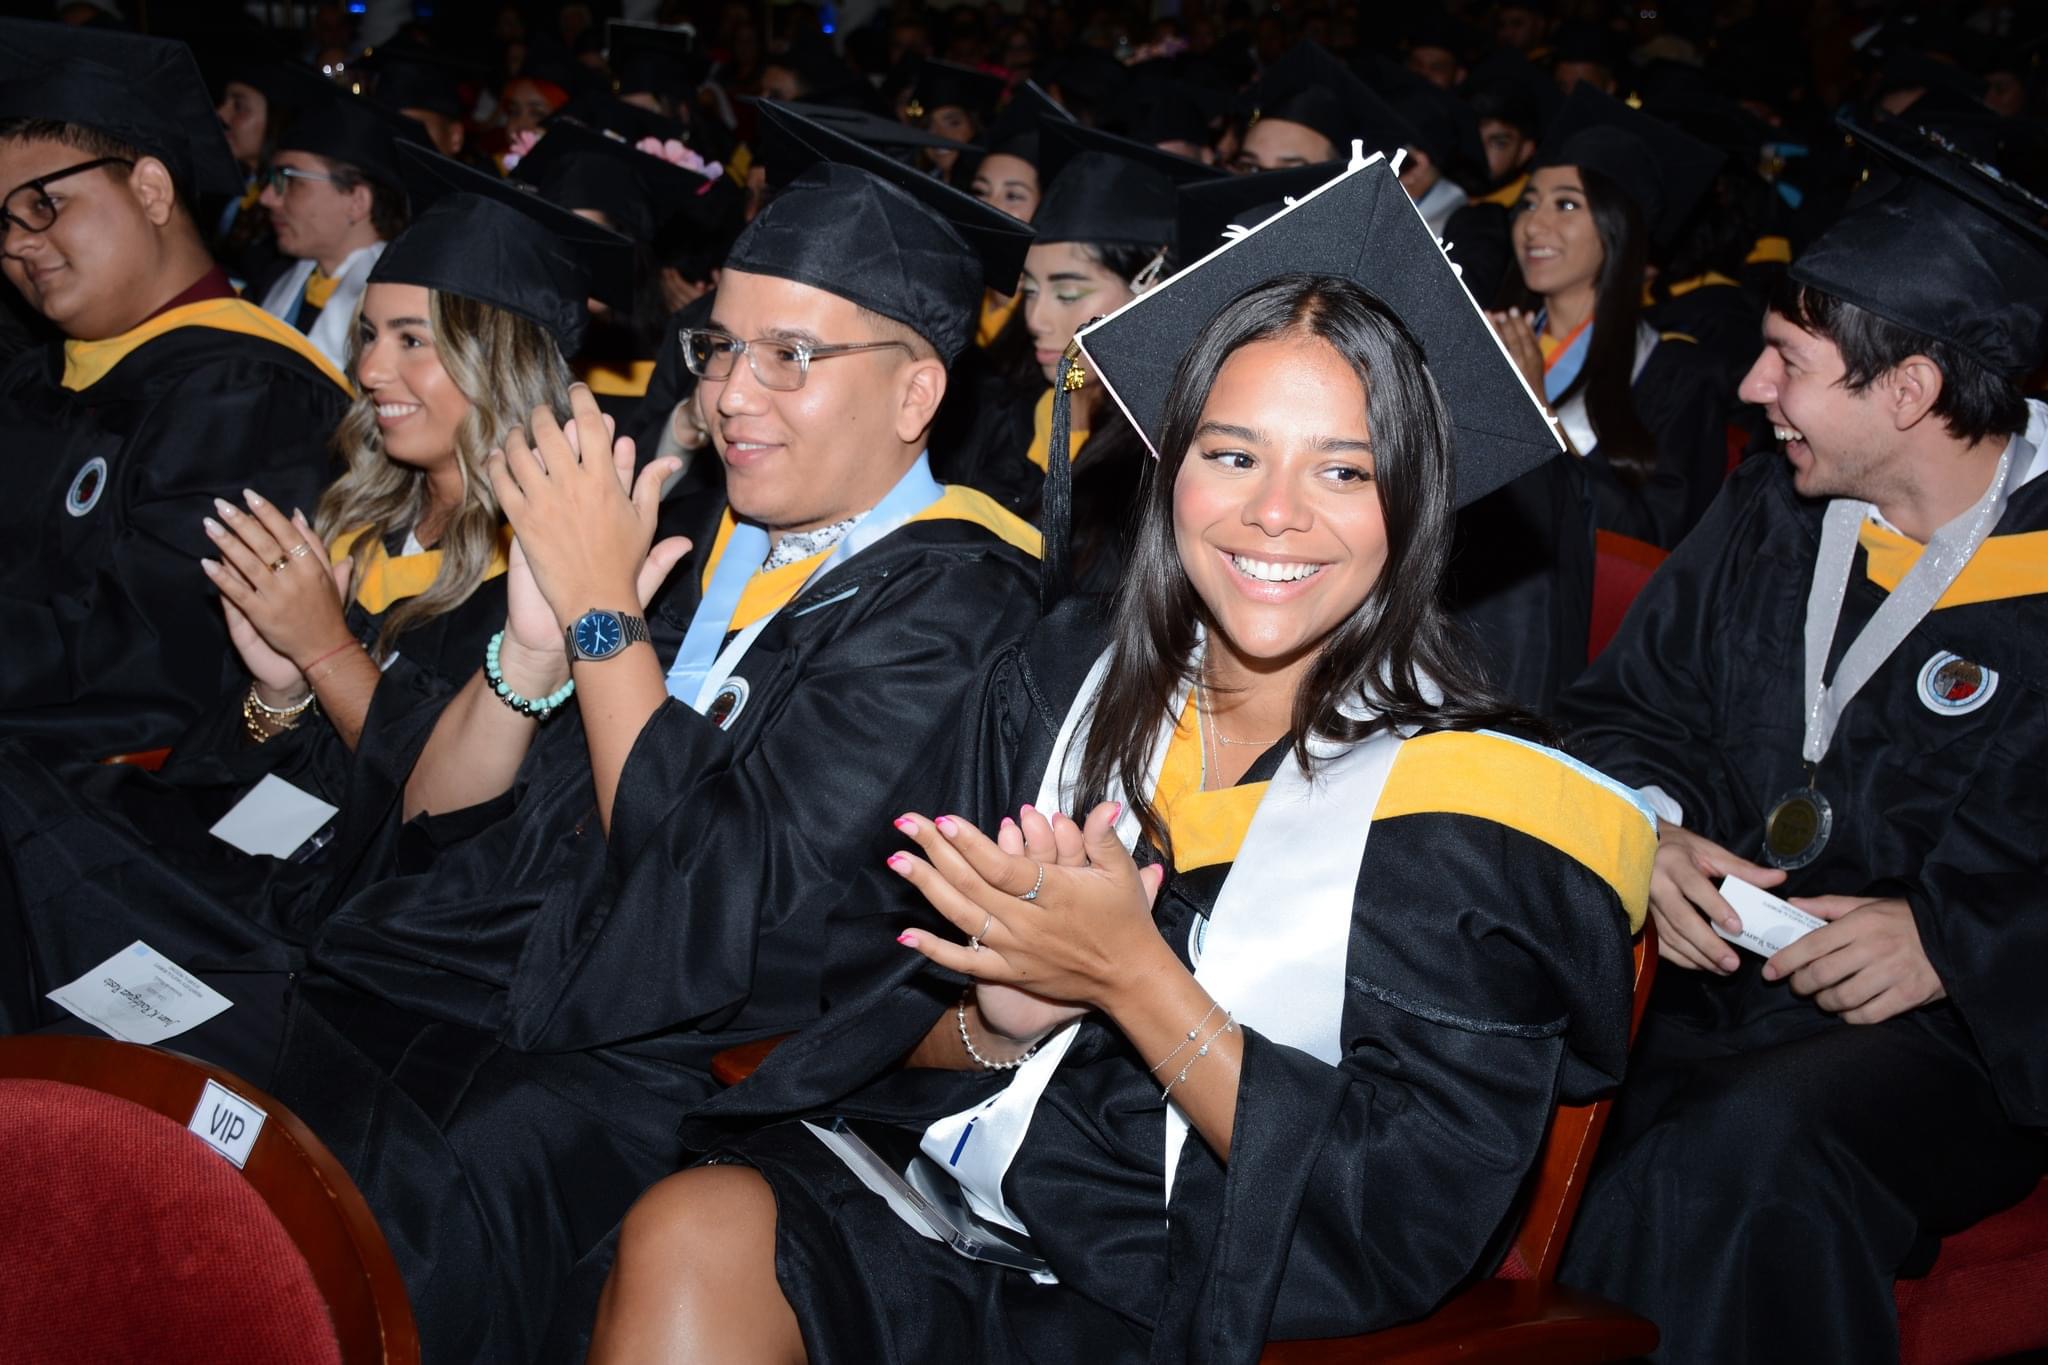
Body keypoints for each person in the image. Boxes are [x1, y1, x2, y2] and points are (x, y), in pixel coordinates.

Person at [587, 155, 1652, 1365]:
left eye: (1343, 470)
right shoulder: (1054, 683)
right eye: (1231, 454)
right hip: (954, 1214)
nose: (1274, 513)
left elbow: (1396, 1221)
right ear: (1170, 471)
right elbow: (872, 1018)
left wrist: (1135, 982)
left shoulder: (1480, 822)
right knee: (691, 1226)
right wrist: (999, 1018)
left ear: (1413, 501)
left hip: (1202, 1302)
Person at [96, 125, 1042, 1361]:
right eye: (717, 350)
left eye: (790, 356)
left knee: (368, 1213)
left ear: (916, 391)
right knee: (189, 1096)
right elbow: (438, 822)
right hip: (470, 974)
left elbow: (713, 911)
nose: (730, 394)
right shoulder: (695, 531)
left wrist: (602, 616)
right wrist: (531, 655)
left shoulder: (957, 611)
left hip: (659, 1068)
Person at [1556, 118, 2048, 1363]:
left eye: (1784, 361)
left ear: (1909, 390)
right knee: (1516, 1060)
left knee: (1740, 1154)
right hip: (1714, 976)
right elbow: (1626, 708)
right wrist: (1648, 827)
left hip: (1956, 1039)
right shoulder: (1774, 509)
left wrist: (1956, 947)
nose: (1746, 389)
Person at [0, 199, 579, 1019]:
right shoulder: (363, 519)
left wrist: (322, 650)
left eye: (413, 340)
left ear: (500, 358)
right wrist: (276, 692)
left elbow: (458, 825)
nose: (373, 370)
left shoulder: (546, 568)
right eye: (369, 336)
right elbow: (251, 762)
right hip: (260, 867)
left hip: (374, 940)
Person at [0, 22, 351, 756]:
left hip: (116, 812)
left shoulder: (249, 393)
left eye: (43, 204)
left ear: (151, 190)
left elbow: (148, 662)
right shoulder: (37, 377)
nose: (15, 243)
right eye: (3, 222)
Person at [1488, 85, 1732, 547]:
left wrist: (1538, 413)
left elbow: (1653, 542)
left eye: (1566, 204)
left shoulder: (1677, 379)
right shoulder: (1494, 336)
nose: (1533, 225)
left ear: (1619, 226)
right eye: (1529, 203)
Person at [254, 84, 420, 372]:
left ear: (356, 201)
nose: (267, 197)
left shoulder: (408, 313)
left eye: (289, 179)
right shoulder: (269, 279)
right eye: (271, 179)